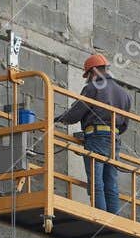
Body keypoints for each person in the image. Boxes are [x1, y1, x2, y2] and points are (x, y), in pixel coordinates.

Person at [56, 54, 132, 215]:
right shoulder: (124, 94)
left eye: (88, 75)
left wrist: (62, 119)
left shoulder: (93, 88)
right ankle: (113, 218)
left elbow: (77, 111)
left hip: (96, 138)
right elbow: (125, 124)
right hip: (114, 139)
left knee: (96, 181)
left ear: (94, 71)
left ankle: (101, 216)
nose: (88, 79)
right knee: (110, 182)